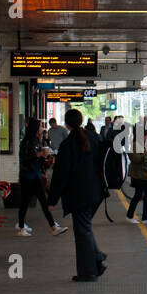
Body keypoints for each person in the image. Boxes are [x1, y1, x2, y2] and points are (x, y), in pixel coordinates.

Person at [49, 108, 108, 281]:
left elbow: (60, 175)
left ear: (66, 124)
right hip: (96, 192)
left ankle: (88, 272)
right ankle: (96, 260)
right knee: (85, 229)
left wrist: (52, 200)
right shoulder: (94, 138)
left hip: (79, 195)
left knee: (82, 232)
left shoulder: (67, 145)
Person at [16, 117, 67, 237]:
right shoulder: (26, 142)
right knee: (25, 202)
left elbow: (37, 157)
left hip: (36, 175)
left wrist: (45, 158)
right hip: (27, 176)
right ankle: (22, 227)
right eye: (39, 126)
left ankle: (53, 227)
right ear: (35, 128)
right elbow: (25, 158)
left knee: (43, 201)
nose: (41, 128)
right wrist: (39, 154)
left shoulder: (36, 140)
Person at [125, 121, 147, 224]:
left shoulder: (144, 144)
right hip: (139, 175)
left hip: (146, 173)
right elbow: (135, 159)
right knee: (138, 195)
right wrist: (145, 152)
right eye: (146, 134)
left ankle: (145, 217)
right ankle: (130, 216)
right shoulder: (134, 145)